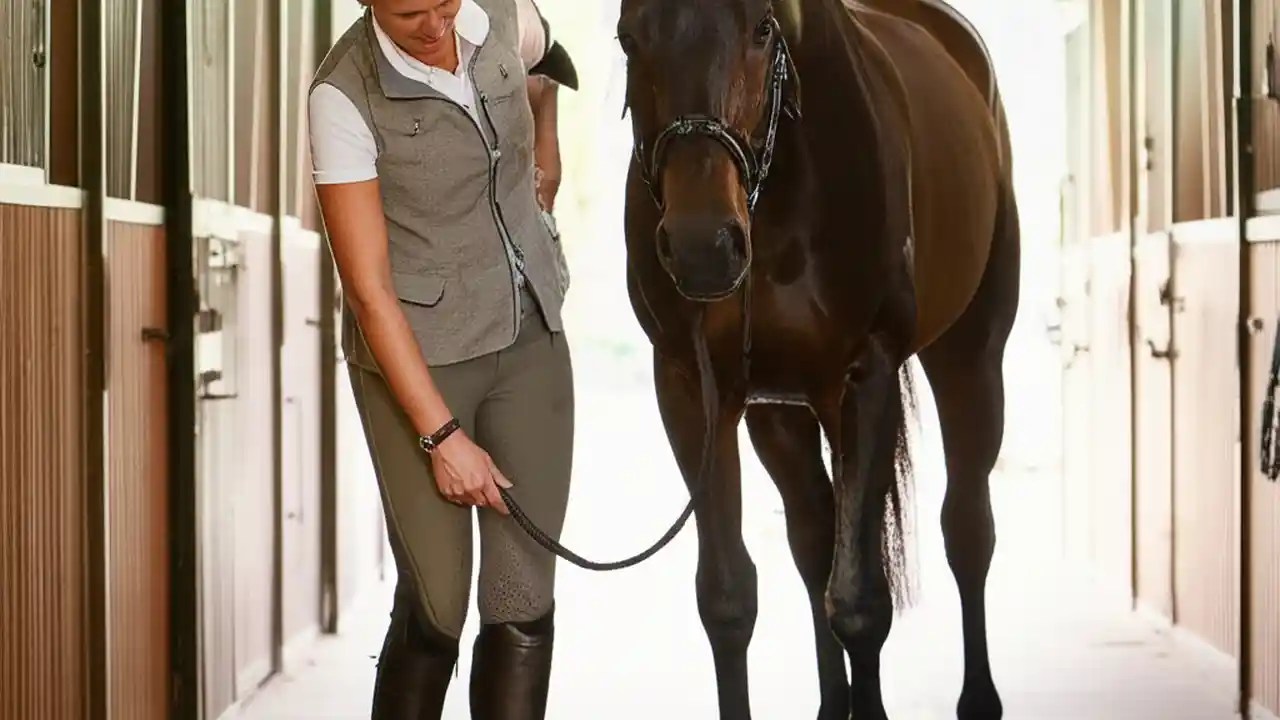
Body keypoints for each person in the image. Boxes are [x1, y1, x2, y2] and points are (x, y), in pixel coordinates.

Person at [307, 0, 578, 717]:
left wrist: (545, 148)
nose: (434, 27)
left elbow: (550, 60)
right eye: (408, 14)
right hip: (419, 362)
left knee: (522, 597)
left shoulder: (499, 18)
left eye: (444, 5)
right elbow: (368, 293)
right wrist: (440, 435)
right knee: (439, 602)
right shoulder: (342, 95)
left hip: (529, 341)